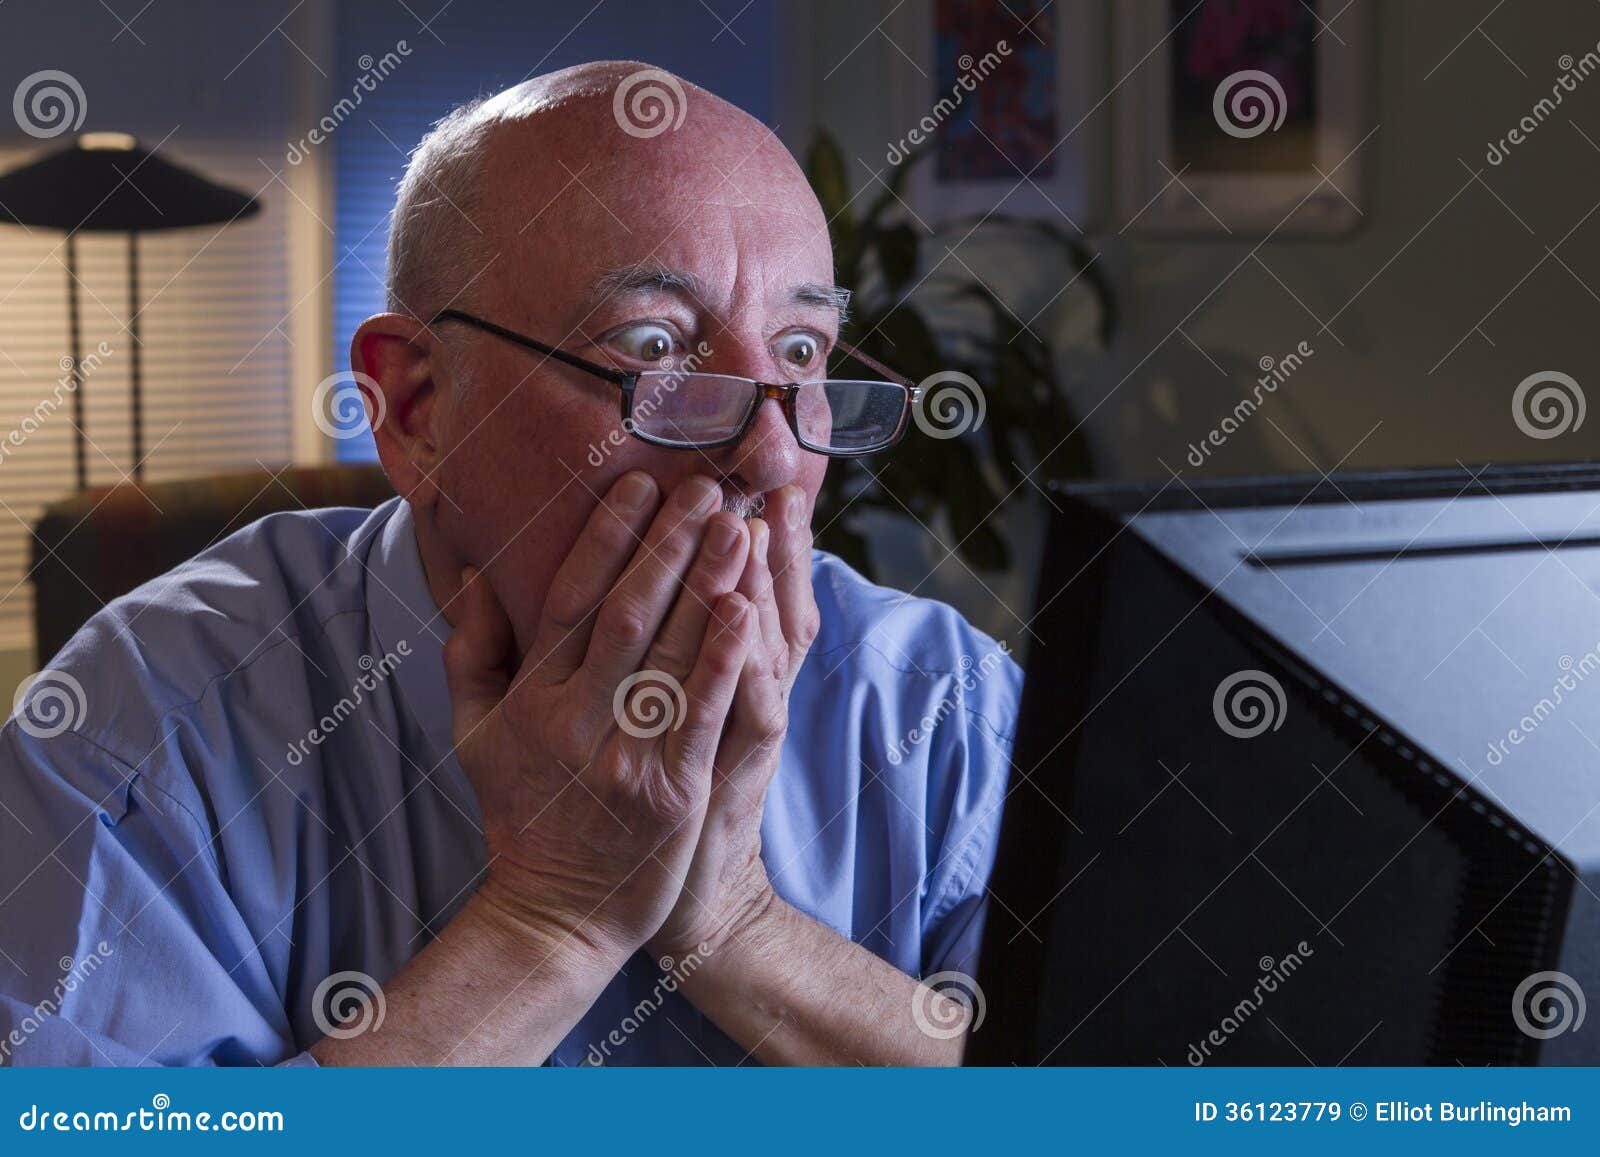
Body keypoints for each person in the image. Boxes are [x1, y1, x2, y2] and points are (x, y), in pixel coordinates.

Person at [0, 61, 1020, 1066]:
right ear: (418, 409)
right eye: (655, 347)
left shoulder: (943, 708)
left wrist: (740, 920)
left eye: (801, 353)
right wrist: (554, 913)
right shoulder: (138, 730)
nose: (771, 453)